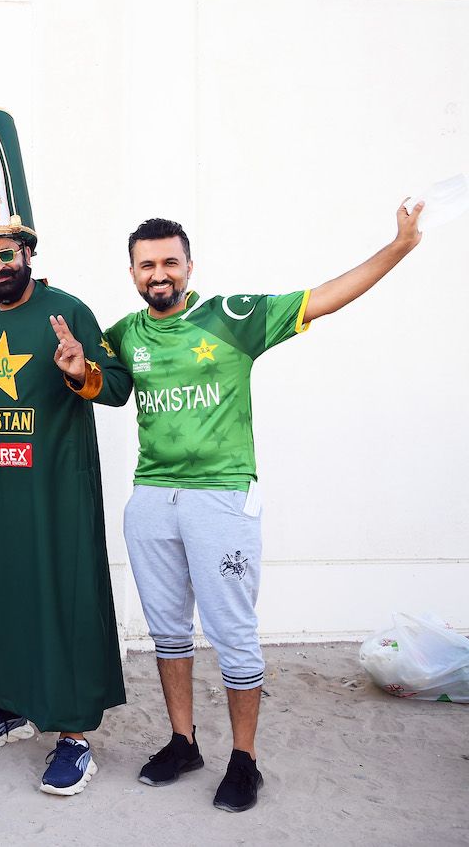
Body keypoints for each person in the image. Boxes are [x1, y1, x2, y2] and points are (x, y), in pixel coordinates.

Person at [84, 201, 424, 812]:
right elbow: (95, 383)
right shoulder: (125, 333)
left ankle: (245, 760)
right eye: (145, 266)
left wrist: (397, 247)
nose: (157, 274)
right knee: (167, 632)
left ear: (189, 266)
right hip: (153, 497)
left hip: (222, 495)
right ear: (132, 273)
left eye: (169, 262)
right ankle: (183, 742)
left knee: (233, 634)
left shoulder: (231, 318)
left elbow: (323, 297)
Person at [0, 107, 131, 796]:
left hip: (57, 491)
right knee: (1, 597)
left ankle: (74, 736)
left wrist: (81, 372)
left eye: (5, 254)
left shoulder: (67, 309)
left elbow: (117, 385)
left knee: (61, 598)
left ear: (28, 252)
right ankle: (11, 705)